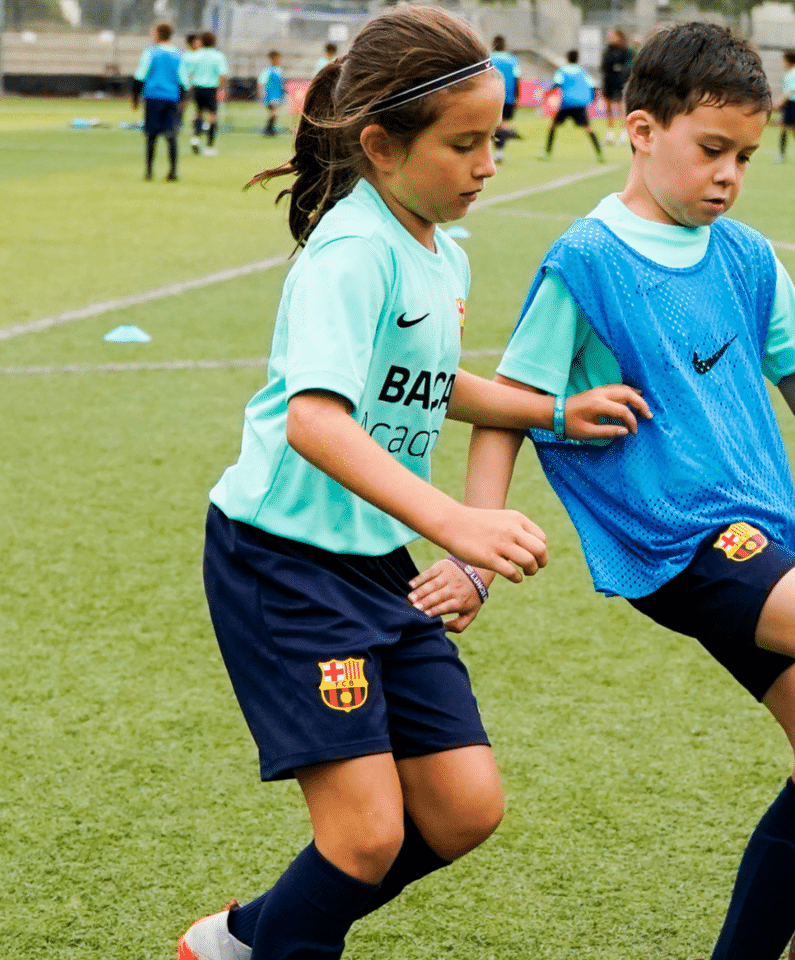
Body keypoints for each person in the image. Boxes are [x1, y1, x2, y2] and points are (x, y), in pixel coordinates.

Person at [464, 22, 795, 960]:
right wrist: (474, 548)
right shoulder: (588, 261)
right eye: (710, 150)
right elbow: (508, 406)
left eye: (744, 156)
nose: (728, 174)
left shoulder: (747, 258)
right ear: (641, 129)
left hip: (753, 535)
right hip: (679, 543)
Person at [178, 8, 650, 960]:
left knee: (464, 807)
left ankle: (240, 943)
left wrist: (551, 411)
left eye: (496, 141)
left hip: (368, 564)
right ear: (381, 146)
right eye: (464, 143)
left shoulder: (437, 243)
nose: (487, 164)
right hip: (283, 564)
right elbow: (316, 419)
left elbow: (430, 382)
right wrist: (457, 521)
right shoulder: (351, 255)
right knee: (363, 835)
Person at [131, 22, 186, 181]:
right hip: (171, 98)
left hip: (153, 97)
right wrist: (181, 99)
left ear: (158, 34)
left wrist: (135, 98)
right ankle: (173, 171)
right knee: (171, 135)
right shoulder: (178, 54)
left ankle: (149, 171)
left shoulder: (151, 53)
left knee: (151, 135)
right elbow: (183, 80)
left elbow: (140, 75)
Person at [540, 49, 602, 163]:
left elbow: (556, 84)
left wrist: (546, 94)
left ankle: (547, 152)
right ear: (577, 59)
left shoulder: (563, 71)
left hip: (567, 104)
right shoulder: (583, 71)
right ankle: (600, 153)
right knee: (588, 129)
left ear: (567, 58)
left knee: (553, 126)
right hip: (579, 104)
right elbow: (593, 86)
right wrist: (592, 99)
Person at [183, 31, 228, 155]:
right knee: (212, 116)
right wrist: (221, 88)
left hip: (197, 88)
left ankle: (195, 138)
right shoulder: (218, 56)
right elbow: (222, 75)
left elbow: (189, 72)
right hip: (211, 88)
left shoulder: (196, 55)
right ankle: (209, 146)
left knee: (198, 114)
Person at [489, 34, 520, 162]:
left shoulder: (488, 58)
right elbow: (517, 79)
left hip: (490, 96)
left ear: (493, 45)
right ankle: (499, 152)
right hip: (508, 97)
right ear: (505, 46)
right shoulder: (512, 60)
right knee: (504, 124)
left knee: (492, 125)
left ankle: (494, 152)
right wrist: (517, 97)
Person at [600, 27, 633, 145]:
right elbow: (604, 66)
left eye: (612, 36)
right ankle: (610, 134)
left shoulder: (625, 51)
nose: (610, 38)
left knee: (621, 109)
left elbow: (627, 67)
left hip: (620, 83)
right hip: (608, 82)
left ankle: (624, 134)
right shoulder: (607, 51)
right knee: (608, 109)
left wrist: (621, 71)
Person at [258, 50, 286, 137]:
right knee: (274, 112)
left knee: (274, 113)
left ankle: (270, 129)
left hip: (278, 95)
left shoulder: (279, 70)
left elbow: (281, 83)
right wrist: (261, 93)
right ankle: (268, 129)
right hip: (271, 95)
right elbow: (261, 82)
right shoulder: (268, 70)